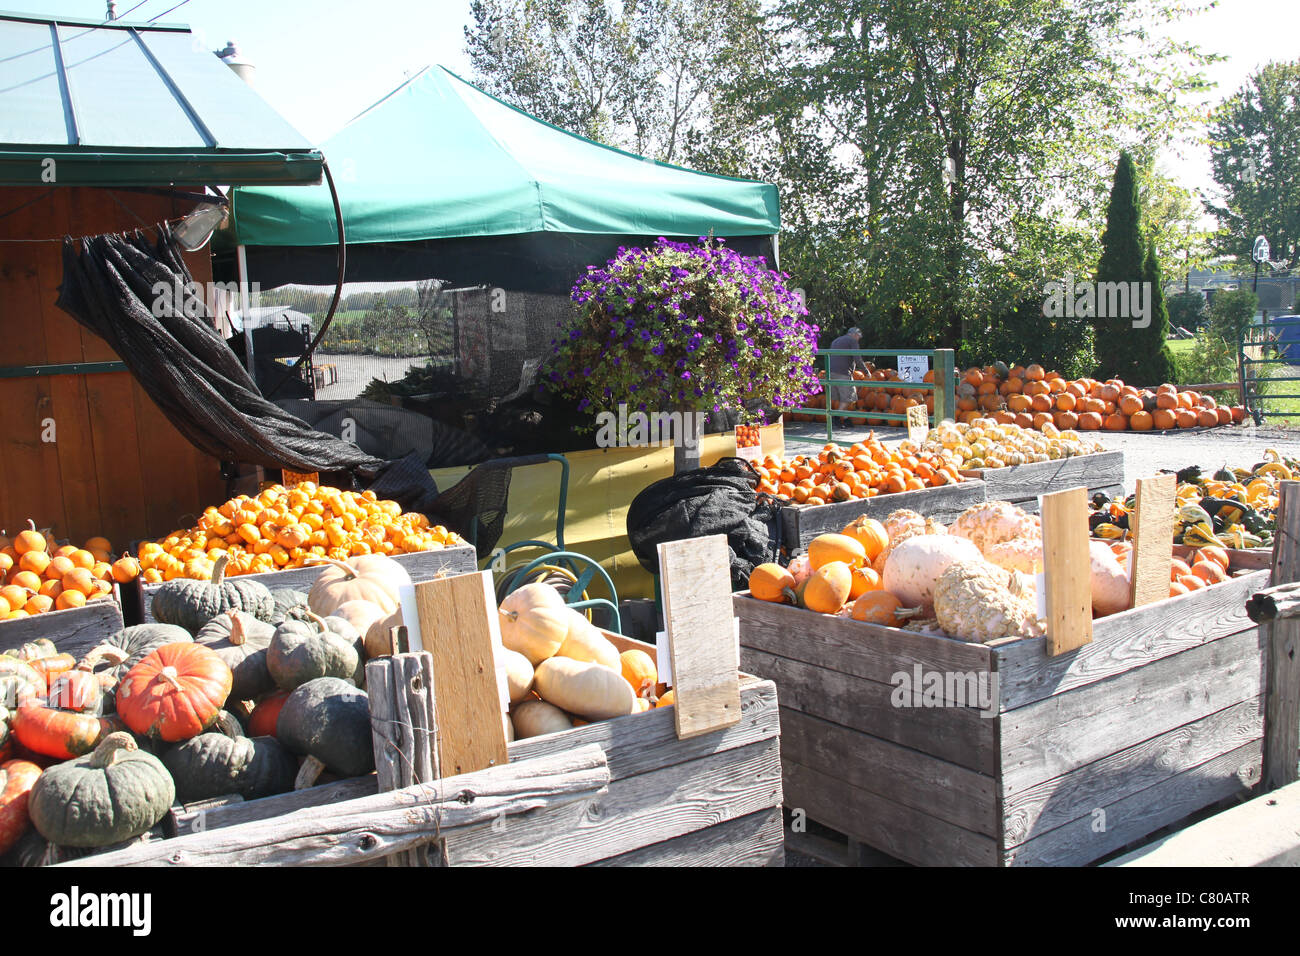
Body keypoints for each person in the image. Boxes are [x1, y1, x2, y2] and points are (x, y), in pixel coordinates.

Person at [827, 327, 868, 404]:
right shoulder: (852, 341)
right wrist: (866, 371)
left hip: (830, 372)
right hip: (843, 373)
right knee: (850, 399)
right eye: (858, 337)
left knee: (836, 399)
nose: (858, 339)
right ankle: (838, 415)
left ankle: (837, 416)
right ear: (854, 335)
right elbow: (857, 358)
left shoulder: (836, 341)